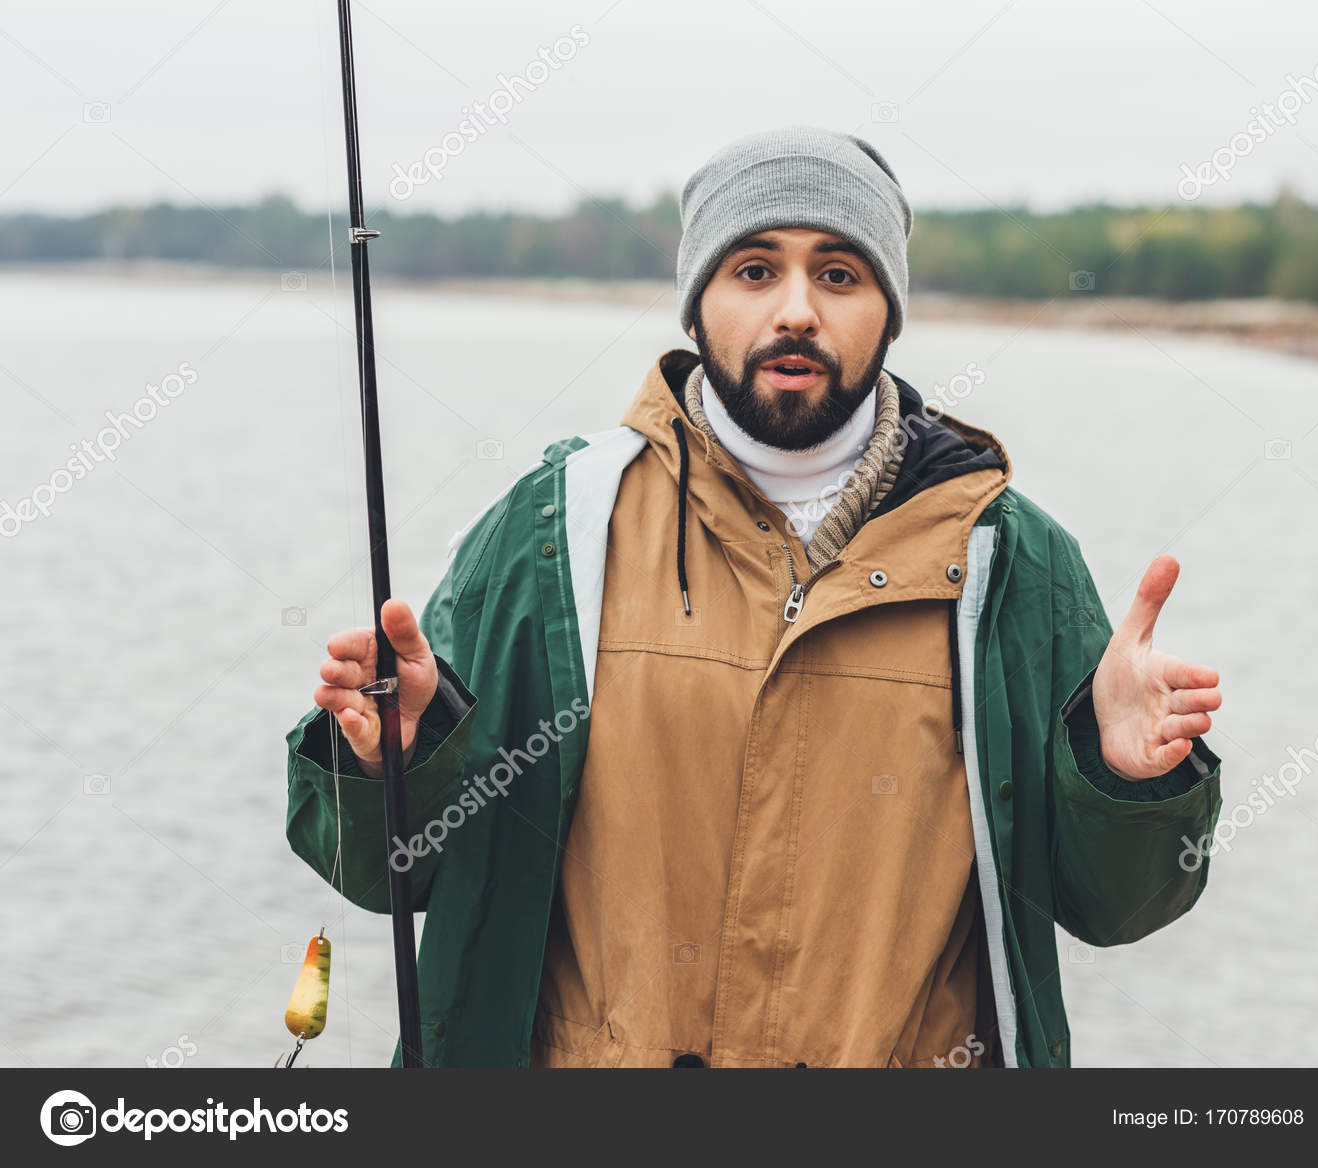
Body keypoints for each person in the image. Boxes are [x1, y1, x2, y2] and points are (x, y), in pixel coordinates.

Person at [286, 124, 1225, 1069]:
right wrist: (397, 765)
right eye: (753, 270)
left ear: (889, 314)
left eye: (841, 274)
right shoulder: (553, 531)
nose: (797, 311)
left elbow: (1118, 907)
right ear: (696, 307)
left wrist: (1123, 782)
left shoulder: (1009, 560)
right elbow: (385, 874)